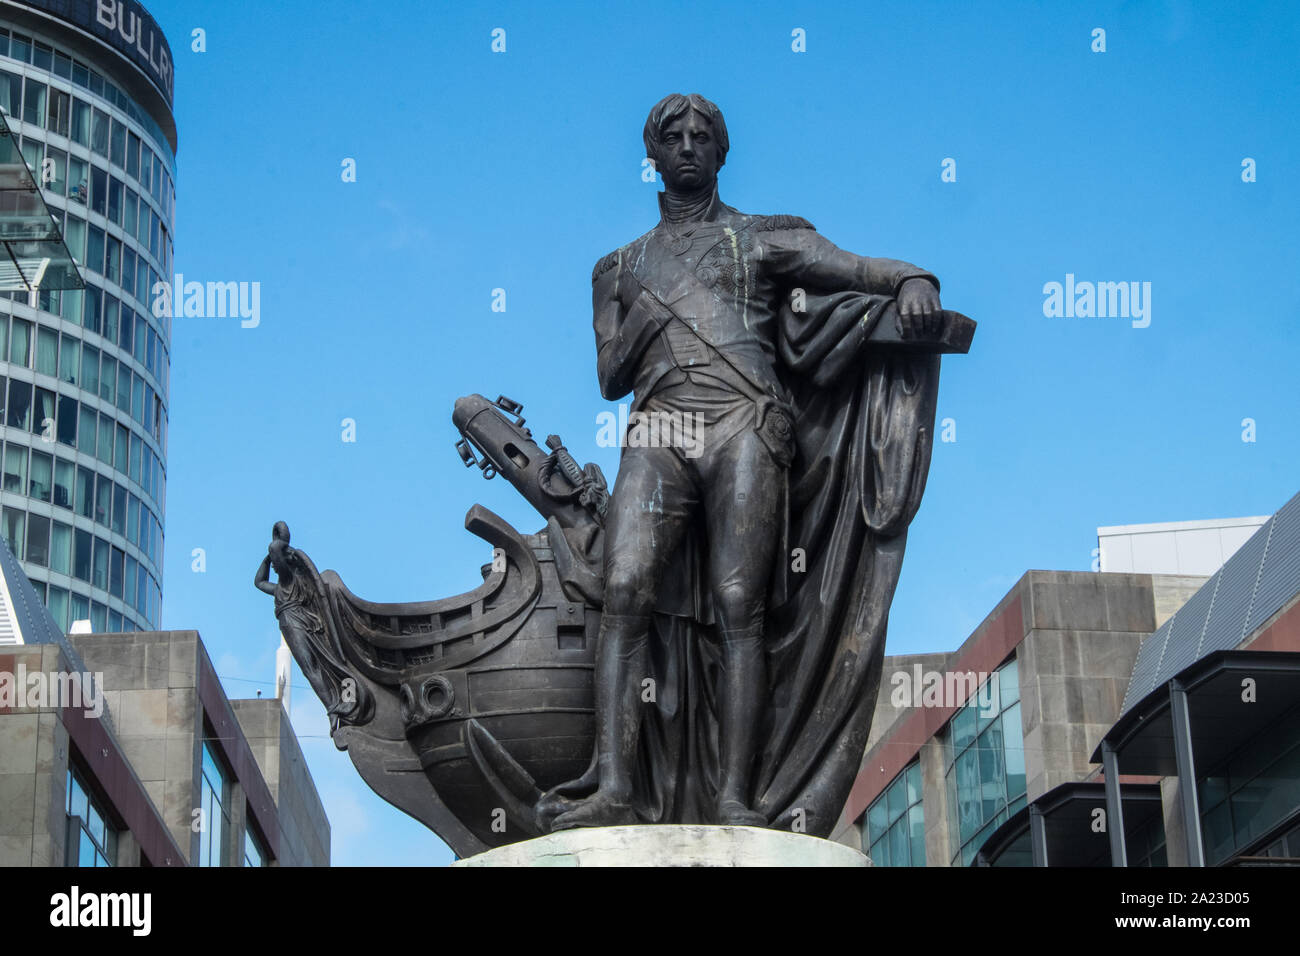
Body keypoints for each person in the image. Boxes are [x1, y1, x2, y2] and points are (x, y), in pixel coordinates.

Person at [549, 93, 943, 830]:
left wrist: (916, 279)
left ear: (721, 154)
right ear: (654, 155)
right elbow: (608, 378)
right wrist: (646, 305)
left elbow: (859, 269)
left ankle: (735, 794)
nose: (690, 145)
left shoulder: (761, 238)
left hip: (744, 424)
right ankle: (613, 786)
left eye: (704, 136)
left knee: (740, 606)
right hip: (659, 427)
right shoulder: (616, 267)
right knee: (625, 585)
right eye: (675, 136)